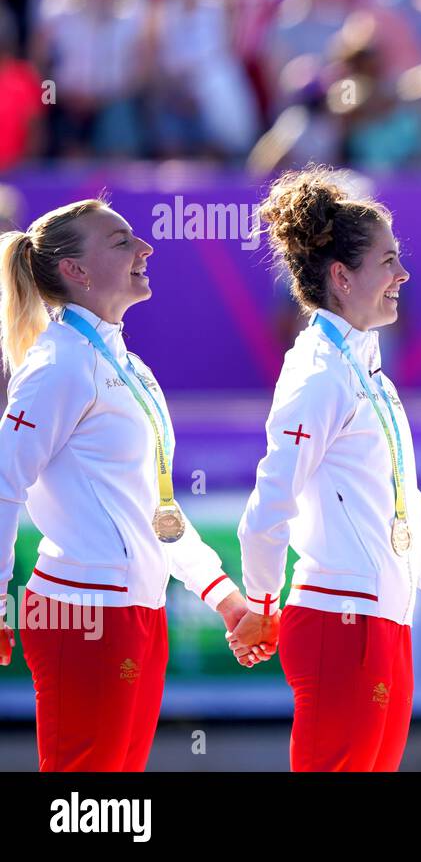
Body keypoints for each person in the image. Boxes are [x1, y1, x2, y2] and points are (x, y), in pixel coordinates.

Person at [0, 199, 263, 772]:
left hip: (138, 609)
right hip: (83, 612)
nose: (146, 248)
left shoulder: (126, 364)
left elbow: (156, 508)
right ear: (76, 271)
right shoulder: (59, 363)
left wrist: (224, 597)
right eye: (122, 242)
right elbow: (3, 485)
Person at [232, 168, 421, 772]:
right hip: (340, 624)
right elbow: (265, 510)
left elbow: (406, 507)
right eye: (388, 261)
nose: (403, 276)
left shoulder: (368, 373)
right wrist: (263, 606)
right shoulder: (319, 374)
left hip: (381, 622)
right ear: (341, 276)